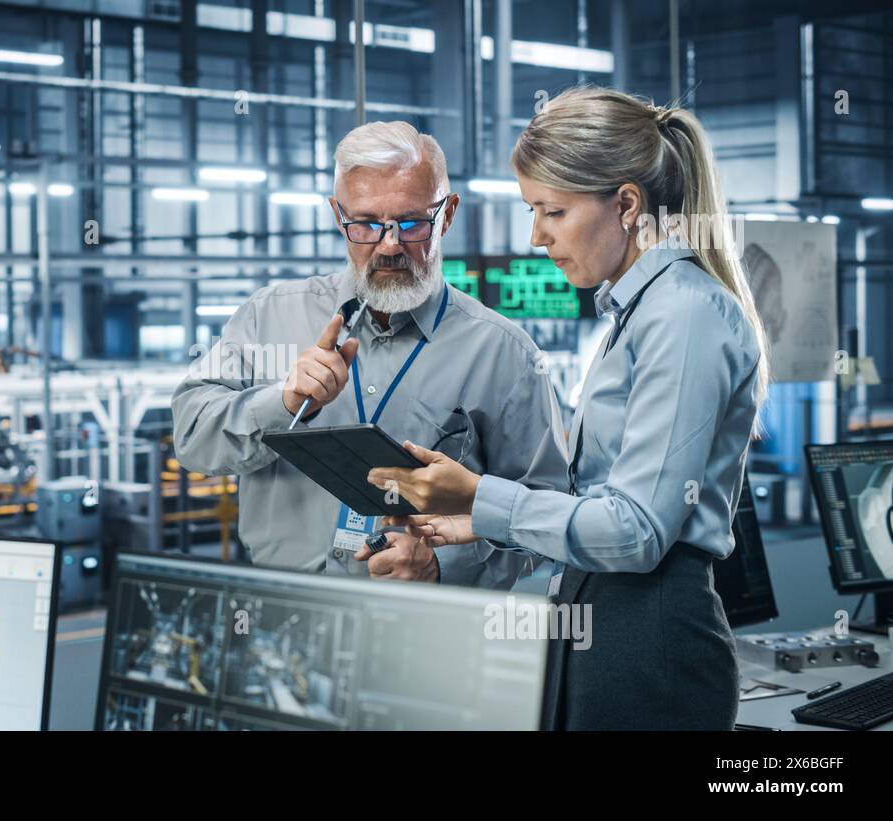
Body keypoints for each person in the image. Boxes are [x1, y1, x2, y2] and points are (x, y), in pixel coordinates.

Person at [367, 87, 770, 730]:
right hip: (600, 618)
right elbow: (607, 504)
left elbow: (637, 531)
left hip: (650, 636)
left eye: (552, 211)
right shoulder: (634, 313)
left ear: (628, 205)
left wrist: (479, 496)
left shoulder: (684, 313)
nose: (536, 236)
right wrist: (481, 521)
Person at [172, 120, 568, 586]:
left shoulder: (505, 354)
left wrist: (444, 564)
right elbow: (191, 435)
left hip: (425, 622)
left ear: (448, 214)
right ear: (338, 216)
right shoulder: (266, 317)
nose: (389, 245)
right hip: (288, 611)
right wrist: (279, 403)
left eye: (412, 222)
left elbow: (548, 514)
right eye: (365, 224)